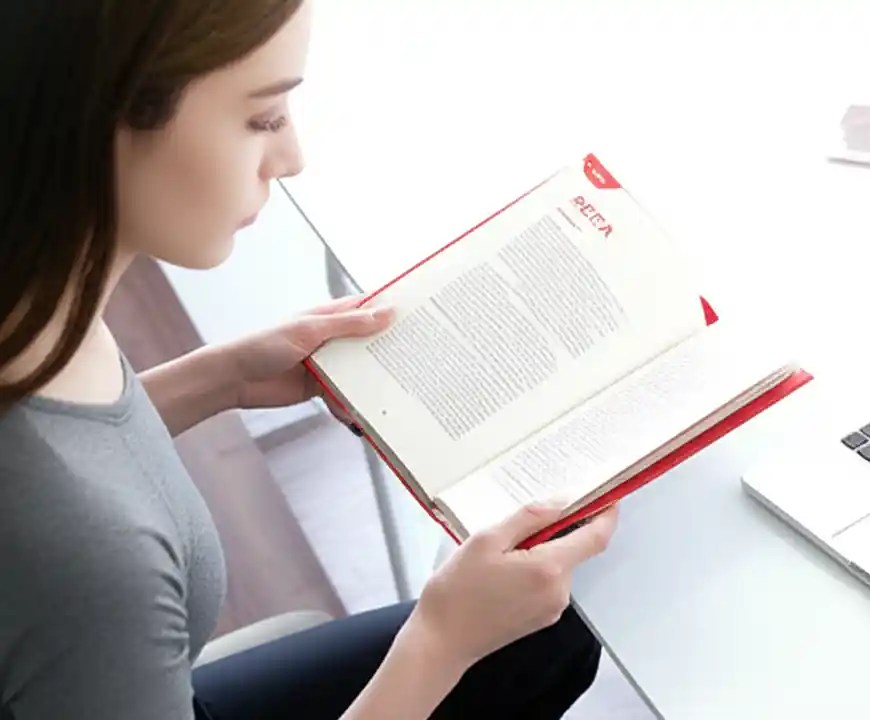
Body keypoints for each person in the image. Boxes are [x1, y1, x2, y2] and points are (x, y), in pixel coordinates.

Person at [0, 2, 619, 718]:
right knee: (525, 641)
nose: (292, 157)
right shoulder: (96, 575)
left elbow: (59, 436)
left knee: (550, 639)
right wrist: (439, 641)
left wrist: (221, 377)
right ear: (101, 117)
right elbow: (62, 513)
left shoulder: (36, 302)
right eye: (262, 119)